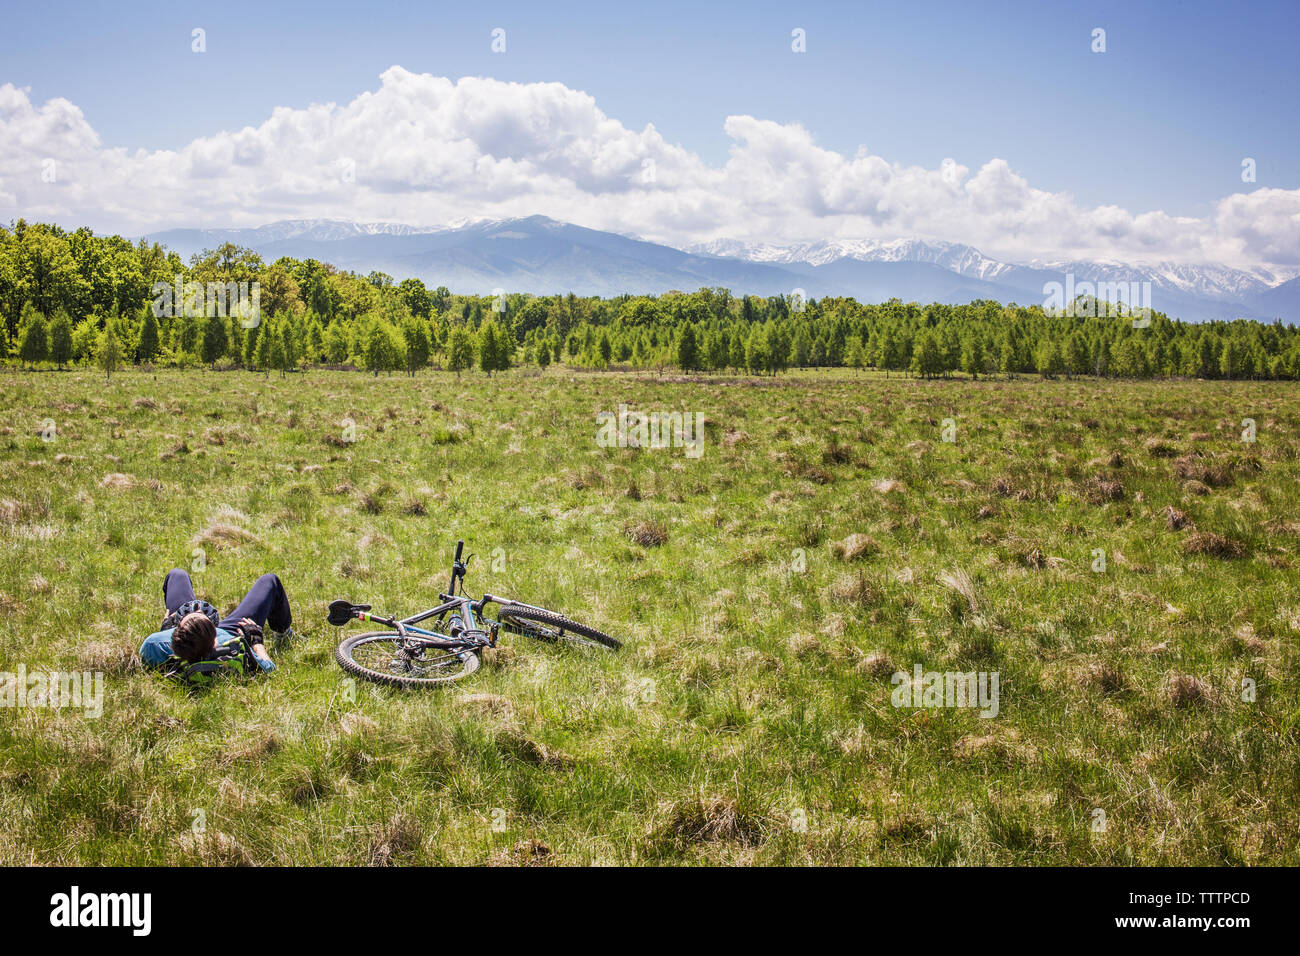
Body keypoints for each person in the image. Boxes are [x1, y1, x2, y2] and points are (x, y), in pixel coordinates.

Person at [139, 568, 295, 679]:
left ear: (177, 631)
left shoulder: (153, 646)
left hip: (185, 638)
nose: (199, 610)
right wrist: (256, 642)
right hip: (230, 632)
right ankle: (284, 634)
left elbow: (153, 651)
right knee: (270, 581)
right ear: (215, 641)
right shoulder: (234, 651)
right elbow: (269, 669)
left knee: (177, 575)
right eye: (204, 617)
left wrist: (166, 629)